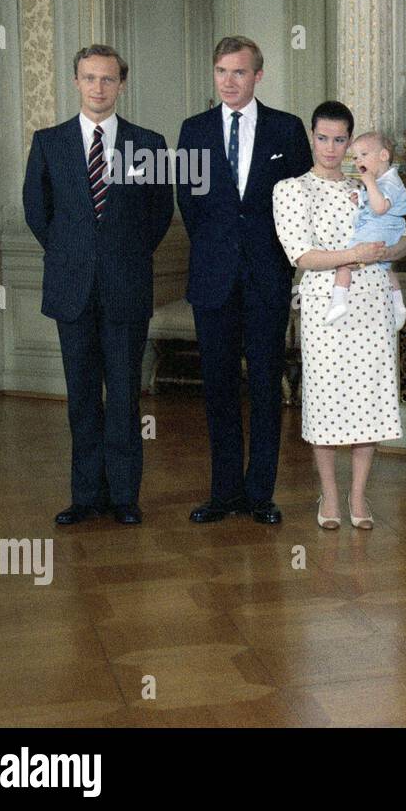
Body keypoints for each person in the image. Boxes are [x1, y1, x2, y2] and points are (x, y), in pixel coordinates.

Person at [22, 44, 173, 525]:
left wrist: (119, 256)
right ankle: (85, 496)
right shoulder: (49, 142)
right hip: (72, 288)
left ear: (121, 84)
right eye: (89, 78)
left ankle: (125, 496)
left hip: (125, 286)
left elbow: (158, 213)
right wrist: (76, 255)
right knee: (82, 396)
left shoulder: (148, 143)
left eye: (108, 79)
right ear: (76, 82)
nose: (99, 88)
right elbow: (37, 213)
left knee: (125, 396)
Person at [175, 36, 312, 525]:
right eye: (220, 72)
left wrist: (277, 259)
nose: (228, 82)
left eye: (238, 72)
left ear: (258, 75)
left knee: (265, 386)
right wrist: (219, 251)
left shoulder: (287, 129)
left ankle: (260, 494)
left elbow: (301, 200)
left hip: (267, 278)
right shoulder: (194, 129)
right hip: (213, 279)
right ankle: (224, 492)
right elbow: (189, 202)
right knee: (218, 386)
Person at [273, 102, 406, 528]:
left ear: (350, 143)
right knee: (327, 400)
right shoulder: (292, 188)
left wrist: (384, 253)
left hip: (373, 302)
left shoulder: (369, 183)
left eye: (339, 140)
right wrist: (354, 254)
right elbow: (300, 254)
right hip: (325, 303)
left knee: (368, 398)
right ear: (311, 138)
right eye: (322, 138)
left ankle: (358, 497)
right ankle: (329, 497)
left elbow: (405, 238)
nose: (330, 148)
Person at [334, 132, 406, 329]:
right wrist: (360, 199)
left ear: (383, 156)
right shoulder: (381, 181)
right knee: (387, 268)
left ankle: (338, 300)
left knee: (344, 262)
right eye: (356, 157)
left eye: (364, 154)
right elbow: (370, 204)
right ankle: (399, 304)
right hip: (384, 229)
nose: (359, 161)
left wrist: (368, 184)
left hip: (382, 229)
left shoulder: (389, 181)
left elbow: (379, 207)